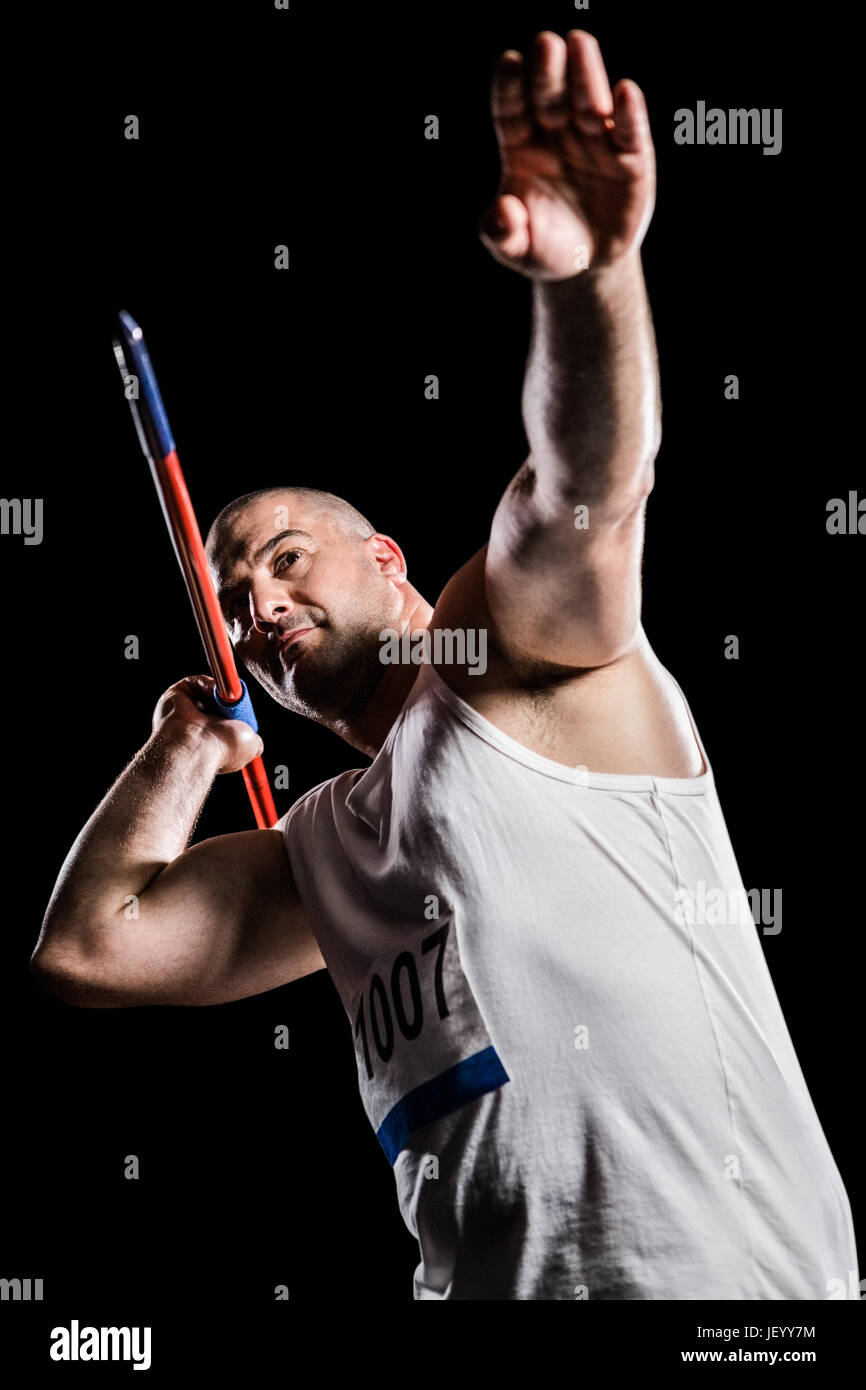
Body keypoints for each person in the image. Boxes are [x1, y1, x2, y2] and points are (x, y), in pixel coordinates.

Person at [33, 30, 858, 1300]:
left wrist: (587, 281)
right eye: (231, 598)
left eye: (287, 557)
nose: (257, 601)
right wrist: (185, 741)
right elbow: (88, 949)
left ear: (387, 557)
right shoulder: (322, 850)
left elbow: (585, 487)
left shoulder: (512, 665)